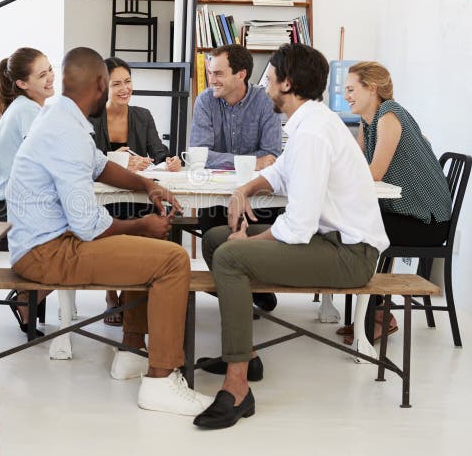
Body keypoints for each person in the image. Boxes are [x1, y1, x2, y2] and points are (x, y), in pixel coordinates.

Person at [5, 46, 214, 415]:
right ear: (101, 84)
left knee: (148, 249)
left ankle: (132, 352)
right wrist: (143, 225)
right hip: (47, 253)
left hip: (50, 242)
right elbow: (88, 224)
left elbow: (99, 166)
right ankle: (162, 381)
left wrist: (147, 185)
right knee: (173, 261)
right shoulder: (64, 131)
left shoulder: (61, 117)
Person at [193, 44, 389, 429]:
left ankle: (237, 388)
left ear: (288, 82)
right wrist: (246, 189)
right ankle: (244, 354)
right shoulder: (307, 123)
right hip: (328, 241)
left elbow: (298, 226)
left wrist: (248, 243)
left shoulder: (314, 132)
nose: (265, 84)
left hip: (349, 255)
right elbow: (280, 171)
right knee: (217, 238)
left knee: (231, 256)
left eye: (270, 77)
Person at [337, 61, 452, 342]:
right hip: (406, 214)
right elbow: (355, 165)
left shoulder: (389, 115)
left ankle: (378, 315)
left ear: (371, 88)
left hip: (427, 222)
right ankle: (371, 312)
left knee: (362, 231)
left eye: (351, 89)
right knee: (353, 225)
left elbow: (372, 174)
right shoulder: (368, 120)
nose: (346, 96)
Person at [189, 43, 283, 312]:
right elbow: (200, 155)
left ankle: (258, 287)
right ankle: (238, 294)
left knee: (262, 229)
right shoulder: (206, 101)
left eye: (218, 73)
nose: (211, 79)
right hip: (217, 193)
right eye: (210, 72)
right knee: (214, 239)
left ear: (241, 75)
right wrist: (250, 161)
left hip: (258, 193)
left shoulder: (266, 101)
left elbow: (272, 155)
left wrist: (249, 163)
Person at [90, 57, 182, 325]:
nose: (124, 88)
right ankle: (111, 293)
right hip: (104, 196)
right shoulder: (92, 118)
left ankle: (139, 291)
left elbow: (159, 153)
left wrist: (170, 161)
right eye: (116, 83)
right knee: (110, 217)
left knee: (154, 216)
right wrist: (115, 158)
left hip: (138, 194)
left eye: (128, 81)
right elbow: (87, 158)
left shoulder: (142, 115)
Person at [0, 47, 54, 336]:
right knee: (76, 243)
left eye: (50, 70)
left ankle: (27, 297)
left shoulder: (25, 108)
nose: (50, 78)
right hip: (3, 214)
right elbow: (44, 161)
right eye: (42, 74)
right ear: (22, 83)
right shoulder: (28, 110)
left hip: (0, 207)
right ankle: (25, 298)